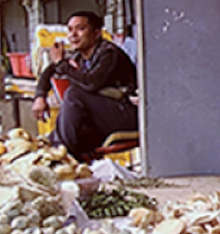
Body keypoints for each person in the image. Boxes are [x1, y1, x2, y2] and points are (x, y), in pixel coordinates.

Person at [32, 10, 139, 161]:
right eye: (70, 30)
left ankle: (62, 156)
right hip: (103, 119)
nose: (73, 35)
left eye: (80, 29)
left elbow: (91, 83)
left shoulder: (109, 53)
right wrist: (40, 96)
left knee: (74, 94)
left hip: (126, 115)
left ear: (96, 33)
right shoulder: (79, 56)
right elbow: (50, 70)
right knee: (70, 135)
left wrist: (61, 63)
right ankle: (62, 158)